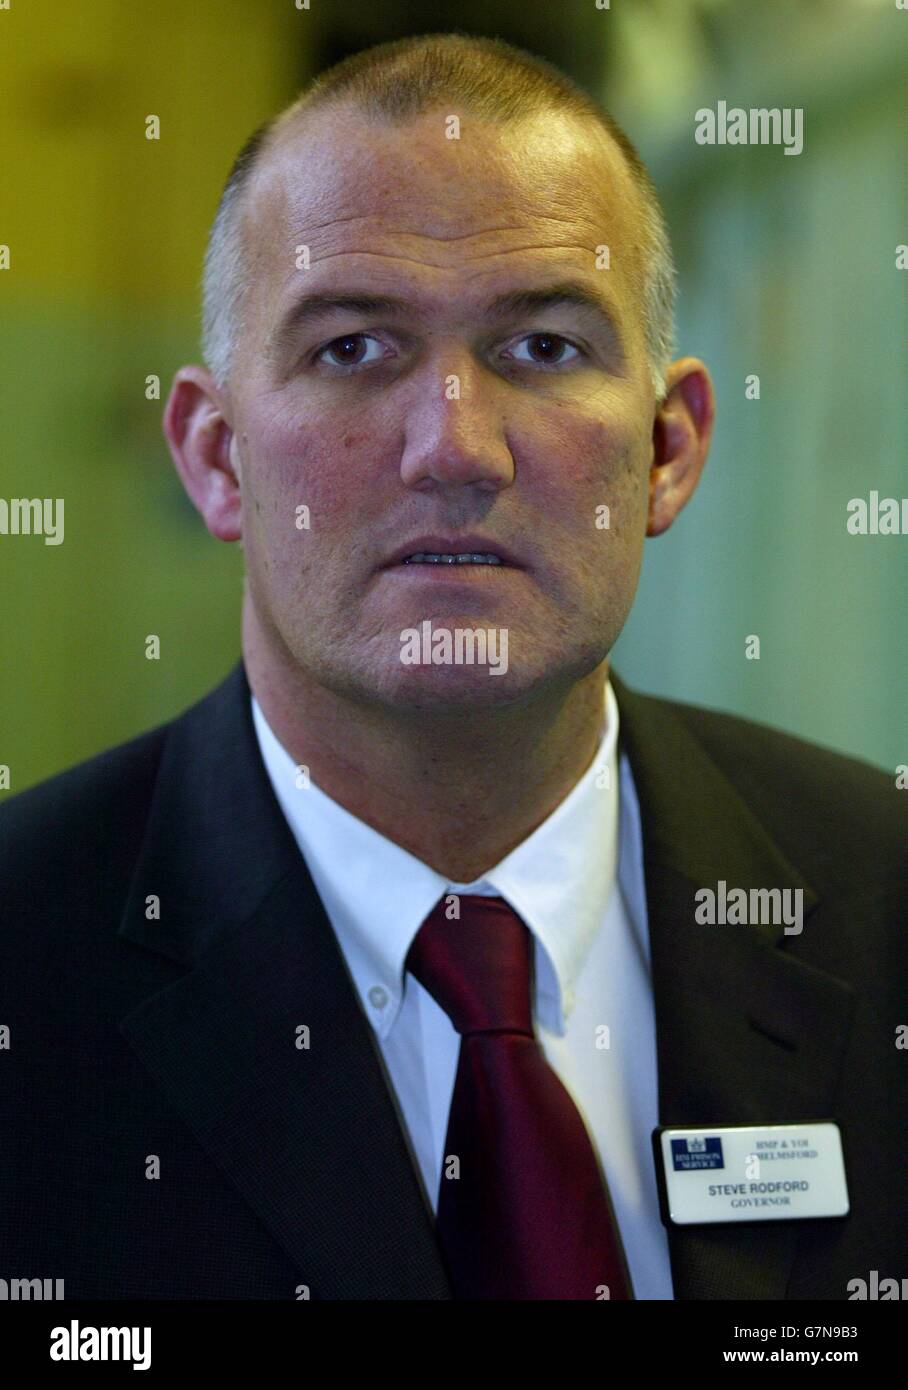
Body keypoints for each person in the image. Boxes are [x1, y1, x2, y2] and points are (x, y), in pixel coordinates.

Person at [1, 32, 905, 1302]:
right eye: (352, 347)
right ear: (215, 458)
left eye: (540, 347)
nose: (454, 448)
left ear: (665, 450)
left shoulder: (879, 899)